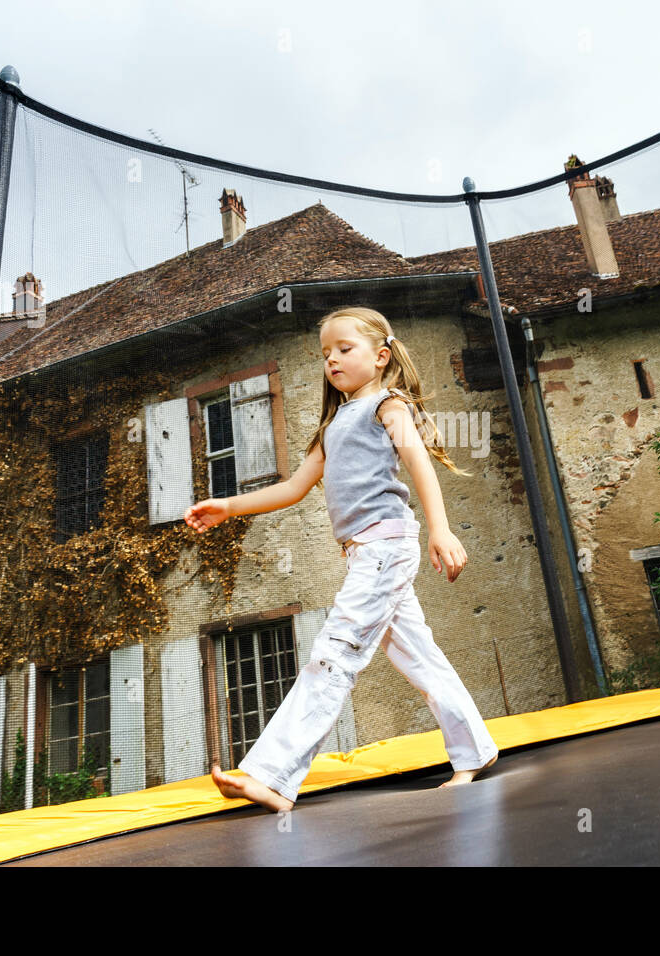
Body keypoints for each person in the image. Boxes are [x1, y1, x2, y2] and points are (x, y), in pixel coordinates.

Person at [184, 305, 499, 812]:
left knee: (334, 654)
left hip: (385, 547)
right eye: (325, 353)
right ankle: (474, 752)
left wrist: (441, 529)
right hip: (365, 555)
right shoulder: (334, 424)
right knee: (422, 659)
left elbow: (417, 460)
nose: (331, 360)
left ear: (380, 357)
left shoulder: (388, 405)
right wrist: (229, 507)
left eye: (344, 349)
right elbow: (292, 487)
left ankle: (272, 775)